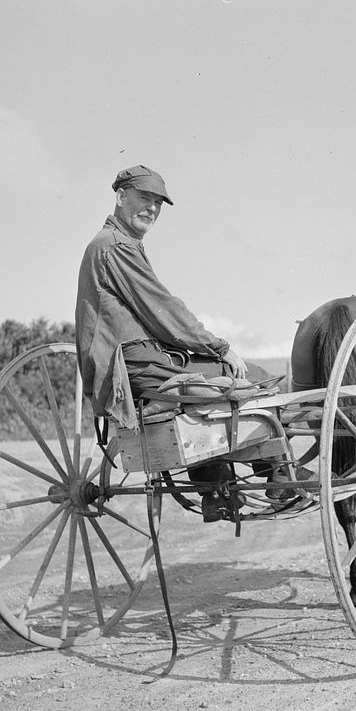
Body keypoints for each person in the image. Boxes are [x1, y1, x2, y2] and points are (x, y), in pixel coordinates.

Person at [75, 164, 272, 521]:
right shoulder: (115, 247)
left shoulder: (115, 244)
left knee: (207, 379)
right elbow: (163, 310)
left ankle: (216, 487)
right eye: (144, 199)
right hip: (134, 362)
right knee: (246, 377)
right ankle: (274, 478)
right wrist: (218, 345)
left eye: (158, 203)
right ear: (121, 198)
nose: (151, 209)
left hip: (131, 361)